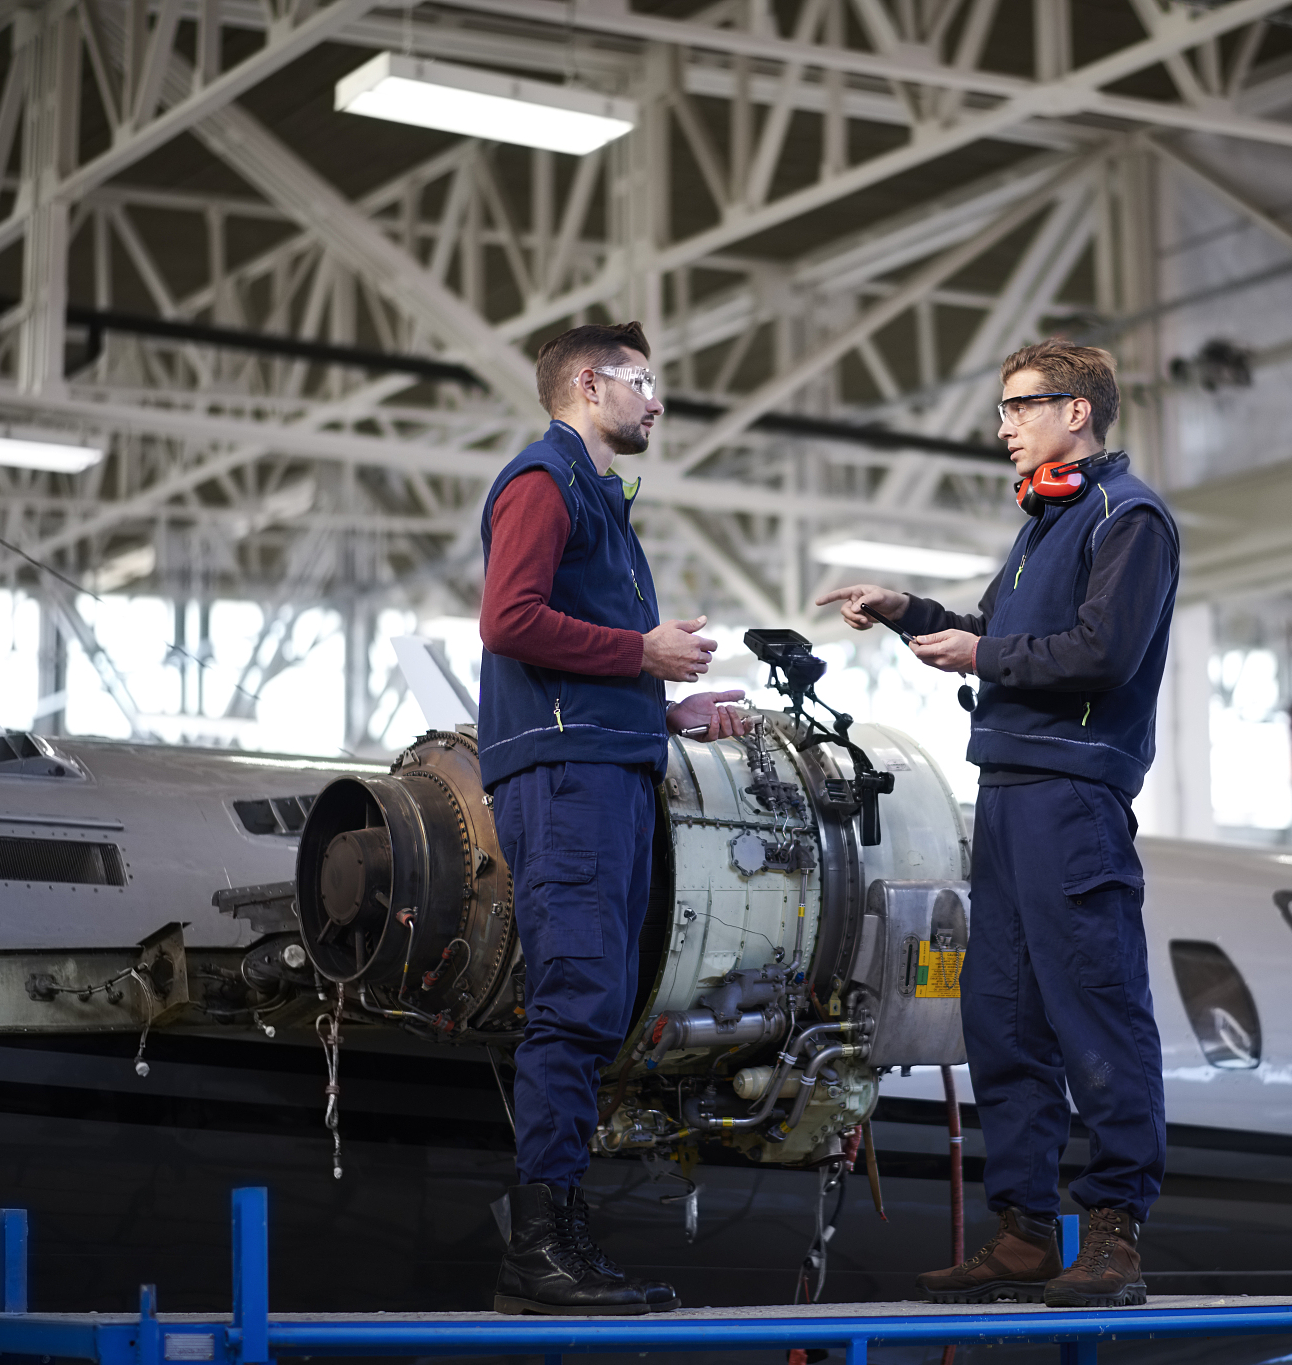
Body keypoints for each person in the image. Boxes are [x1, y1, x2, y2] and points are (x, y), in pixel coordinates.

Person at [815, 340, 1177, 1309]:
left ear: (1077, 412)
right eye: (1004, 408)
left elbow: (1099, 652)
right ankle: (1023, 1230)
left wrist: (981, 653)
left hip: (1073, 795)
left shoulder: (1128, 517)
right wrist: (906, 610)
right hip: (1010, 793)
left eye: (1021, 406)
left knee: (1094, 1007)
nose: (1003, 426)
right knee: (1002, 1018)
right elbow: (997, 635)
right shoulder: (1043, 528)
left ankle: (1113, 1232)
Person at [477, 320, 748, 1316]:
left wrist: (665, 709)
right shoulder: (543, 481)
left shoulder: (596, 498)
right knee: (577, 1002)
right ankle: (537, 1250)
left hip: (606, 765)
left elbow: (567, 650)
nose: (656, 400)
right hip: (569, 780)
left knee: (596, 1006)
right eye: (642, 380)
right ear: (589, 384)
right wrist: (641, 654)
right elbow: (508, 620)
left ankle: (556, 1237)